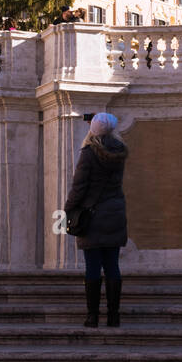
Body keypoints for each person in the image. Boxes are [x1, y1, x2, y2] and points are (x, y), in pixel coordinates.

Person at [64, 113, 128, 327]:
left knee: (92, 267)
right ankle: (113, 316)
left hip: (92, 216)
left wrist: (68, 209)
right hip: (115, 213)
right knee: (112, 266)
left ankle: (92, 316)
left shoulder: (89, 153)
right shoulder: (119, 151)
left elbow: (79, 187)